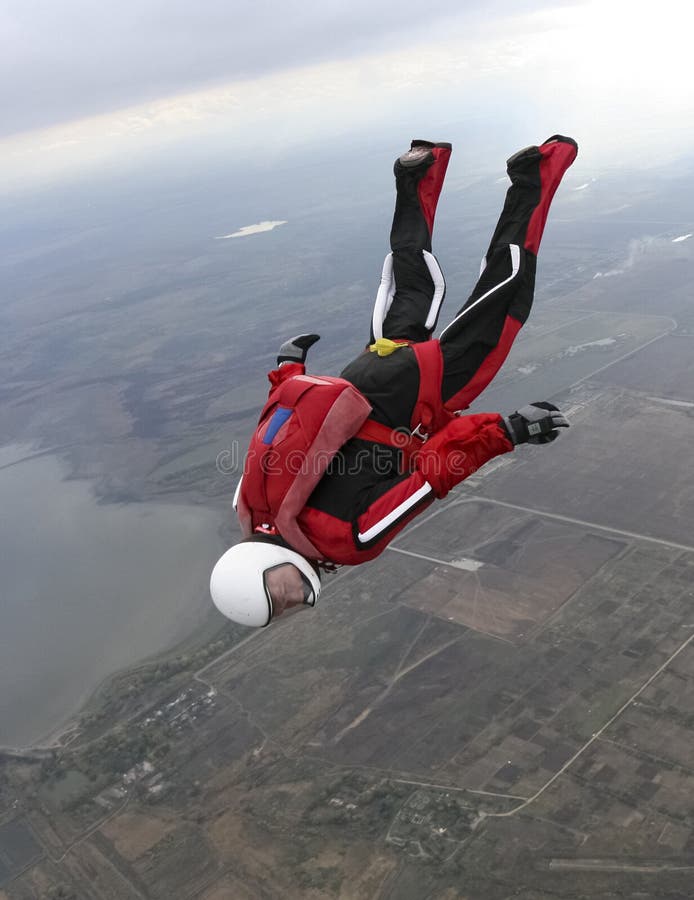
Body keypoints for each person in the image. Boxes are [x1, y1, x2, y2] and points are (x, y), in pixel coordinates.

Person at [211, 135, 578, 627]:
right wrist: (288, 371)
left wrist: (507, 432)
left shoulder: (347, 542)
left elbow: (429, 476)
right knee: (415, 287)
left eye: (277, 593)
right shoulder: (251, 505)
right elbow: (275, 432)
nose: (294, 597)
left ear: (260, 567)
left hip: (412, 397)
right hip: (361, 378)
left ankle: (534, 174)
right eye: (283, 608)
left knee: (504, 298)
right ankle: (416, 174)